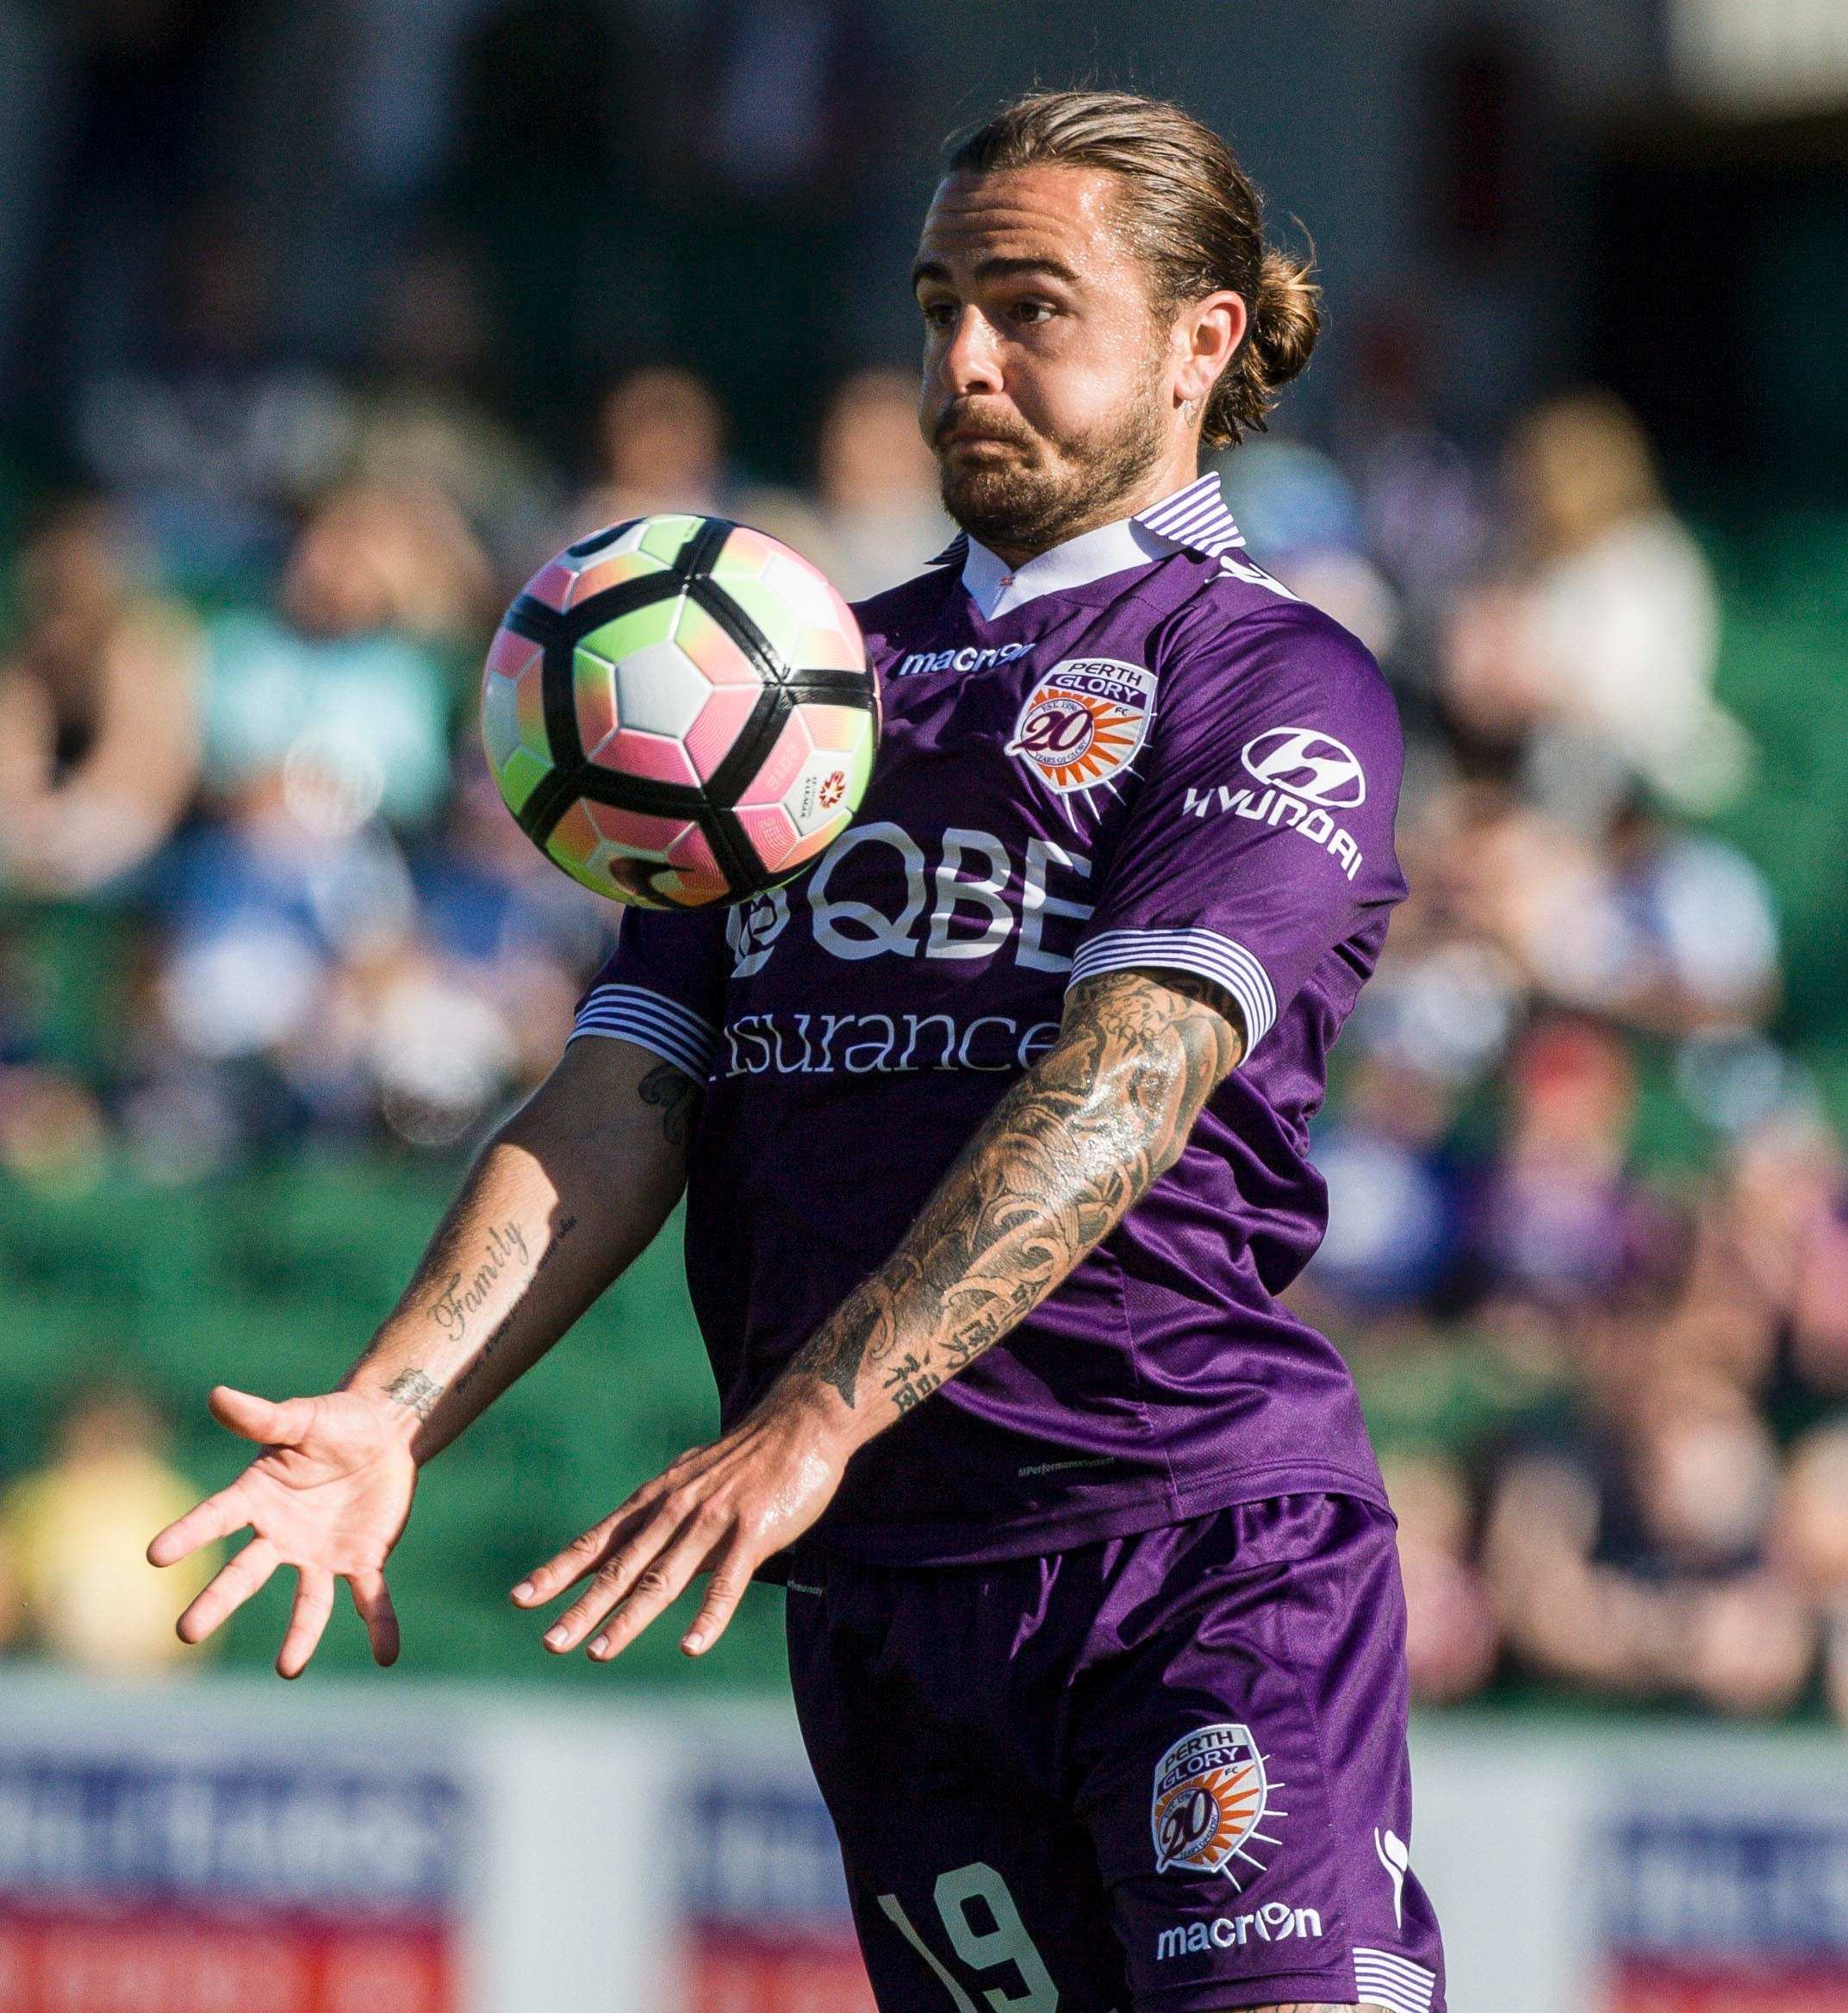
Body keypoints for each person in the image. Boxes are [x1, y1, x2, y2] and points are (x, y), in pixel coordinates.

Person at [151, 90, 1444, 2013]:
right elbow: (626, 1082)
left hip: (1191, 1550)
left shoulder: (1265, 672)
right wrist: (393, 1407)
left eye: (1028, 306)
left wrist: (819, 1408)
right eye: (936, 307)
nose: (963, 362)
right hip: (885, 1598)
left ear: (1201, 340)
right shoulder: (793, 682)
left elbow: (1127, 1078)